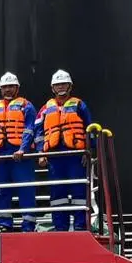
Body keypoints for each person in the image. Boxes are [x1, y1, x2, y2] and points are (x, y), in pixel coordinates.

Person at [37, 69, 93, 231]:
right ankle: (60, 227)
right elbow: (38, 131)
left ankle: (80, 226)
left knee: (78, 192)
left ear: (70, 86)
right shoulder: (46, 108)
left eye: (64, 84)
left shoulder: (79, 105)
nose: (61, 87)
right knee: (57, 194)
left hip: (75, 155)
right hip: (55, 156)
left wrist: (88, 151)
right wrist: (41, 152)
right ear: (52, 88)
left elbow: (89, 128)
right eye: (57, 84)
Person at [0, 71, 37, 232]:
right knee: (1, 192)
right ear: (0, 89)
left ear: (17, 88)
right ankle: (5, 225)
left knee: (26, 190)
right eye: (5, 87)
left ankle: (28, 226)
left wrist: (23, 149)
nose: (8, 90)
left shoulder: (26, 106)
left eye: (11, 87)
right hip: (0, 155)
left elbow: (30, 129)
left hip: (21, 155)